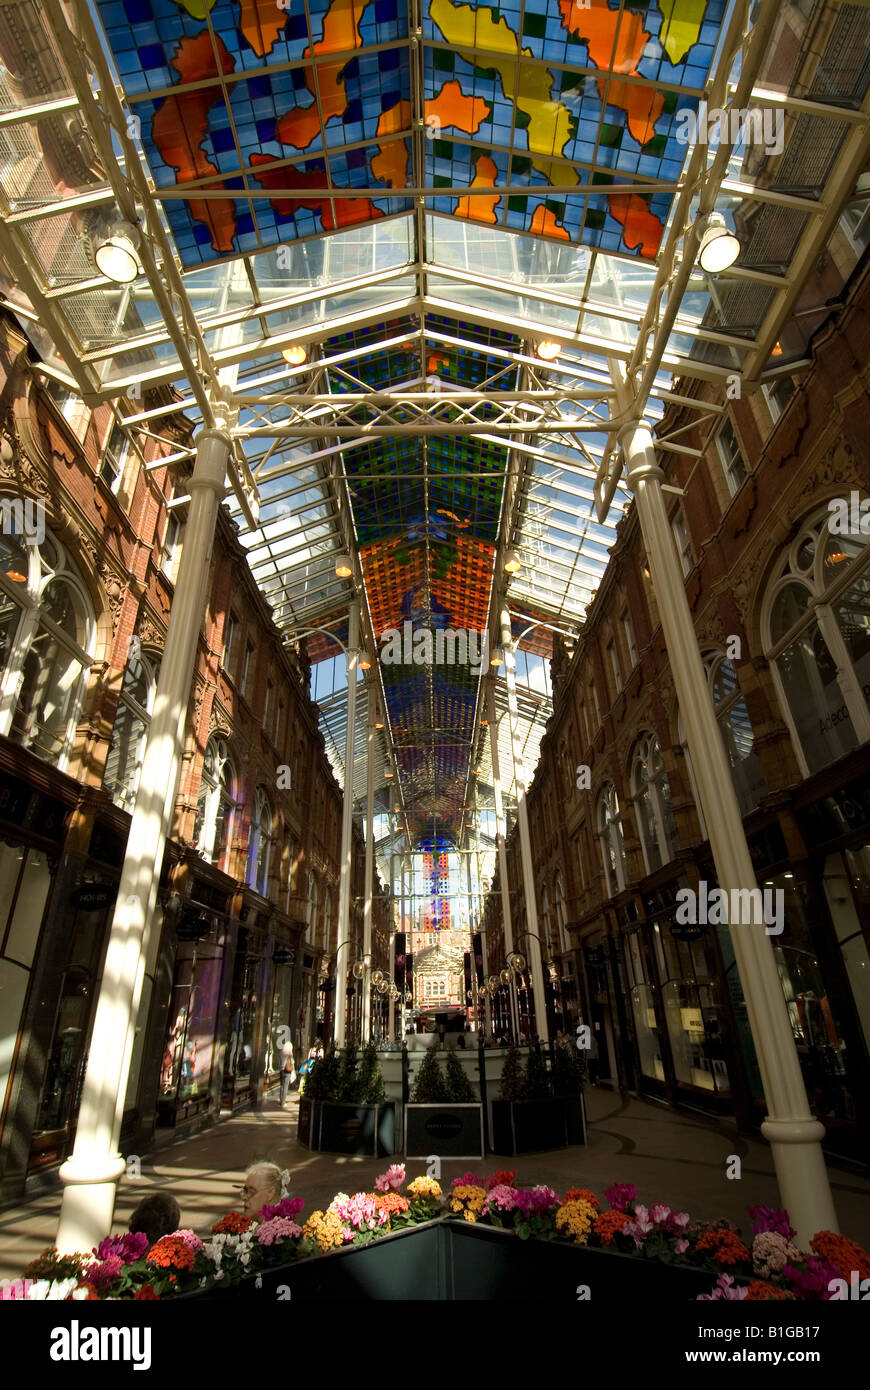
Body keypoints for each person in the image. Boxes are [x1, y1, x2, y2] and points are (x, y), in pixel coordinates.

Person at [279, 1041, 296, 1106]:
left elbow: (279, 1062)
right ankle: (283, 1102)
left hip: (281, 1070)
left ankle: (281, 1100)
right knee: (285, 1087)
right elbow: (292, 1062)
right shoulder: (289, 1053)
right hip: (287, 1071)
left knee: (281, 1086)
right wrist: (293, 1070)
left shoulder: (281, 1052)